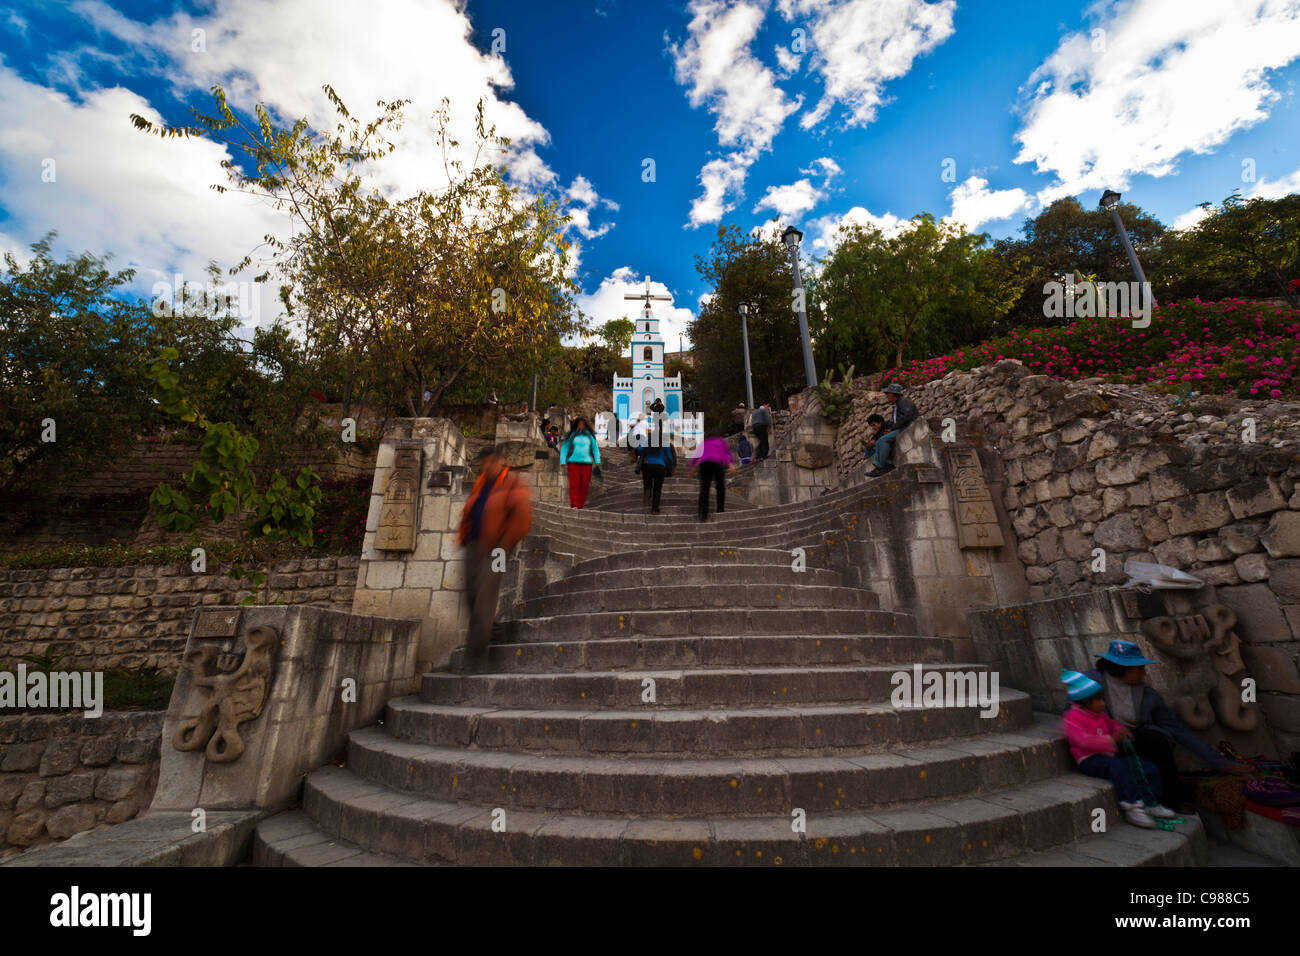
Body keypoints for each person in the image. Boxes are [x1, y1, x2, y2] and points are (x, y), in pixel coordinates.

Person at [1084, 640, 1253, 813]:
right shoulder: (1090, 683)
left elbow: (1177, 730)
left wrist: (1220, 763)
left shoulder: (1148, 695)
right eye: (1139, 668)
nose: (1144, 673)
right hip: (1101, 740)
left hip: (1133, 740)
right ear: (1122, 668)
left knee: (1156, 739)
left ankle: (1174, 798)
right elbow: (1076, 715)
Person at [1060, 669, 1177, 829]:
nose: (1103, 703)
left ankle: (1151, 802)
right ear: (1085, 702)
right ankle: (1132, 806)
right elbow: (1083, 742)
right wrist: (1111, 739)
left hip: (1109, 754)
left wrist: (1120, 729)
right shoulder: (1073, 718)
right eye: (1099, 700)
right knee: (1119, 768)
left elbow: (1111, 724)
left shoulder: (1100, 713)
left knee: (1145, 766)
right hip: (1090, 759)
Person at [455, 446, 534, 671]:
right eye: (483, 462)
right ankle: (495, 630)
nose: (486, 466)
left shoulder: (512, 482)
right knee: (470, 593)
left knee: (486, 594)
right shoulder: (480, 484)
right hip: (473, 544)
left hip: (499, 547)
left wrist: (507, 541)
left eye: (491, 462)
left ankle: (475, 657)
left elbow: (522, 515)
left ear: (500, 462)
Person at [865, 384, 918, 477]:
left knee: (883, 440)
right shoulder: (898, 404)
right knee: (880, 441)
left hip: (907, 427)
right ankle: (886, 464)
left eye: (888, 394)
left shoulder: (903, 402)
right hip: (902, 427)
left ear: (894, 394)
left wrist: (893, 428)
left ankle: (881, 466)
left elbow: (905, 417)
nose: (887, 396)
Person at [689, 429, 736, 521]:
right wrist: (731, 464)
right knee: (720, 487)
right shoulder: (722, 441)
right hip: (717, 464)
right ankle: (720, 509)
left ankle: (702, 512)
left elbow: (695, 455)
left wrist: (692, 468)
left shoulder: (704, 442)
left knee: (704, 488)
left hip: (705, 464)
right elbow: (727, 454)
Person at [559, 417, 600, 509]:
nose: (581, 426)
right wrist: (562, 461)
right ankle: (574, 505)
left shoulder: (591, 436)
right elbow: (564, 448)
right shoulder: (571, 435)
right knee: (574, 485)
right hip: (573, 464)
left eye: (582, 424)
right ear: (576, 425)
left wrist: (597, 460)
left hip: (587, 464)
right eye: (579, 424)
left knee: (584, 486)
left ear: (585, 425)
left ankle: (581, 505)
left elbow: (595, 449)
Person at [638, 440, 675, 514]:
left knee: (647, 486)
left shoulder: (647, 441)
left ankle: (646, 500)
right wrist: (671, 467)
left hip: (647, 466)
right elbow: (670, 458)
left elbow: (639, 450)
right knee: (657, 489)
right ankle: (655, 509)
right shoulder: (665, 443)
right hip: (660, 466)